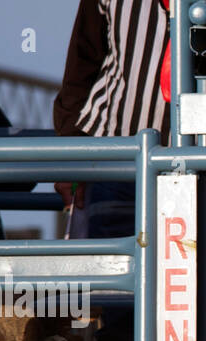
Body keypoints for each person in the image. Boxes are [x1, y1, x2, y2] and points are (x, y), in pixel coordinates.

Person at [53, 0, 171, 239]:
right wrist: (70, 156)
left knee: (194, 267)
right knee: (113, 263)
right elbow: (82, 64)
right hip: (116, 155)